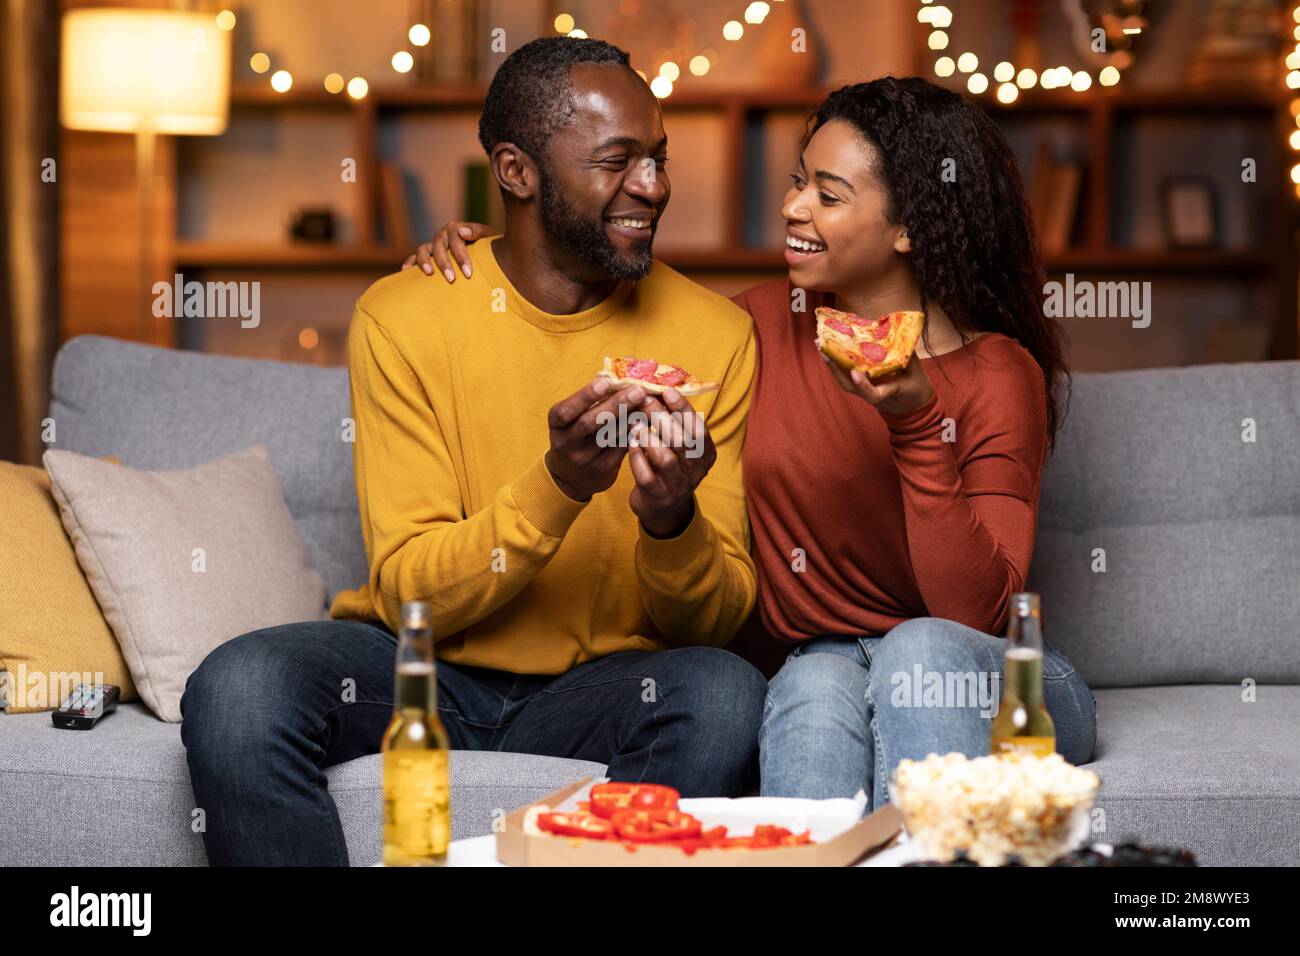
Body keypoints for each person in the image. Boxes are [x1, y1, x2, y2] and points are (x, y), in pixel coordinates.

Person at [404, 76, 1097, 808]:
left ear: (910, 227)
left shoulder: (997, 374)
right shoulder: (752, 329)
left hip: (997, 675)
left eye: (827, 196)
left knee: (915, 652)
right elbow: (597, 312)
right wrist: (504, 254)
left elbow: (974, 616)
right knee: (816, 678)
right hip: (822, 657)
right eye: (799, 182)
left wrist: (918, 425)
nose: (793, 207)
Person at [180, 36, 768, 866]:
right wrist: (559, 484)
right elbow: (410, 593)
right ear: (516, 171)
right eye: (618, 160)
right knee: (240, 687)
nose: (654, 186)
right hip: (417, 669)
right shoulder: (405, 316)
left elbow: (714, 624)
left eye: (660, 158)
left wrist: (672, 521)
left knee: (725, 692)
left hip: (603, 687)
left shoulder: (717, 334)